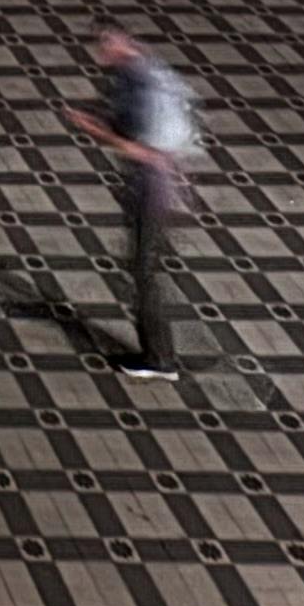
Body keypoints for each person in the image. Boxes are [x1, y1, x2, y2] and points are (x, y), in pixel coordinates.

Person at [67, 19, 202, 377]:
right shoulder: (139, 72)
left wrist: (90, 127)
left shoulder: (144, 85)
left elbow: (141, 150)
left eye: (106, 44)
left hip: (152, 190)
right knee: (143, 267)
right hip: (149, 186)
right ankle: (157, 355)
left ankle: (159, 360)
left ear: (122, 42)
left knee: (144, 271)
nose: (101, 53)